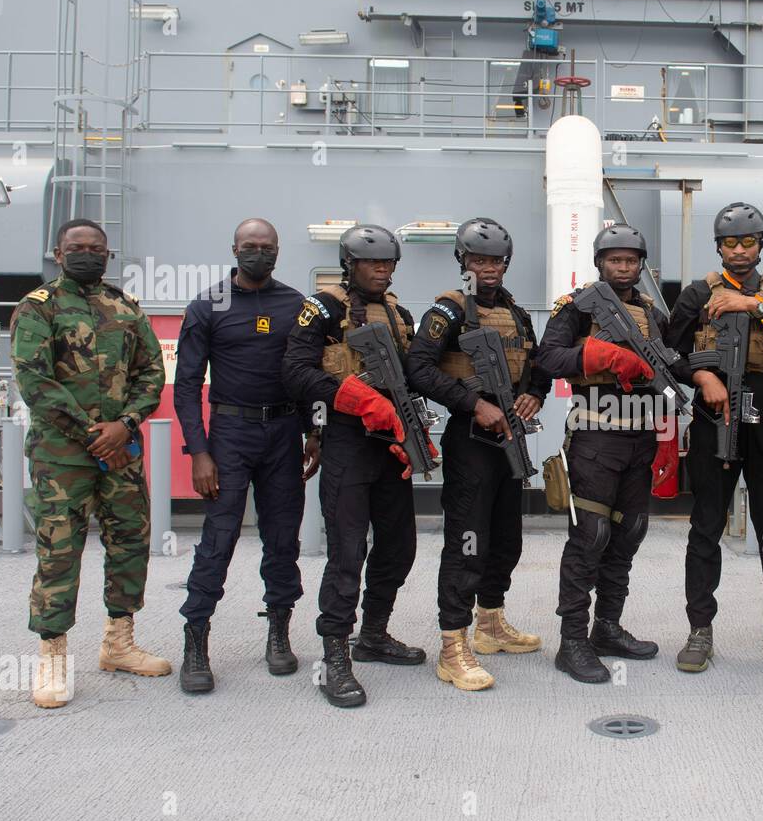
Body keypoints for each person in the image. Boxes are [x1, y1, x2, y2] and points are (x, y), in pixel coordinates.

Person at [11, 219, 168, 708]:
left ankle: (118, 643)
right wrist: (94, 436)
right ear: (57, 254)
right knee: (59, 551)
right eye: (77, 248)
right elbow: (34, 382)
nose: (88, 254)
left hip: (120, 450)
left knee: (130, 541)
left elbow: (151, 372)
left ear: (108, 254)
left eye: (96, 248)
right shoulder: (39, 308)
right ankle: (52, 654)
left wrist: (124, 424)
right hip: (62, 457)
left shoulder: (124, 307)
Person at [174, 218, 321, 693]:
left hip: (283, 433)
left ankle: (279, 633)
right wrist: (199, 451)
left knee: (282, 540)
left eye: (267, 247)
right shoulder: (207, 305)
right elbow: (187, 386)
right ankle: (196, 641)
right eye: (250, 246)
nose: (259, 253)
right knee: (218, 539)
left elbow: (309, 374)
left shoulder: (296, 305)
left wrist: (314, 432)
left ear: (278, 251)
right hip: (230, 434)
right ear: (234, 249)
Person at [283, 224, 425, 708]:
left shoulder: (399, 314)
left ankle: (374, 635)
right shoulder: (321, 309)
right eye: (372, 263)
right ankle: (334, 657)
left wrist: (413, 432)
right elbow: (296, 371)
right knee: (346, 555)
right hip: (347, 442)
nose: (381, 270)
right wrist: (349, 395)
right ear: (350, 264)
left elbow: (411, 379)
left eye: (388, 263)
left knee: (399, 547)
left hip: (390, 444)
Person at [666, 202, 763, 674]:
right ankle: (700, 630)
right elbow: (669, 351)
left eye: (748, 242)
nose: (739, 251)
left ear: (761, 244)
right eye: (730, 243)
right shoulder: (696, 294)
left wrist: (755, 306)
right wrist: (700, 375)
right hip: (715, 410)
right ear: (718, 246)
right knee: (706, 524)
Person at [406, 218, 551, 691]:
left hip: (511, 439)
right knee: (468, 542)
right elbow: (418, 369)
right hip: (470, 440)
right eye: (478, 260)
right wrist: (473, 403)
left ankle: (490, 625)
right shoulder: (447, 312)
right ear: (463, 261)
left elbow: (536, 364)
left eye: (495, 261)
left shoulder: (515, 311)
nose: (488, 269)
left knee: (507, 540)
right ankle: (453, 645)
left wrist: (534, 393)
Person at [537, 224, 672, 683]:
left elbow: (667, 372)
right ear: (599, 262)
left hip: (642, 439)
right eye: (615, 259)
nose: (623, 267)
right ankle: (572, 641)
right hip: (595, 438)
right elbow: (548, 359)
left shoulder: (652, 313)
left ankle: (607, 628)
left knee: (629, 533)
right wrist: (603, 357)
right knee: (589, 538)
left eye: (631, 260)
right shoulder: (577, 307)